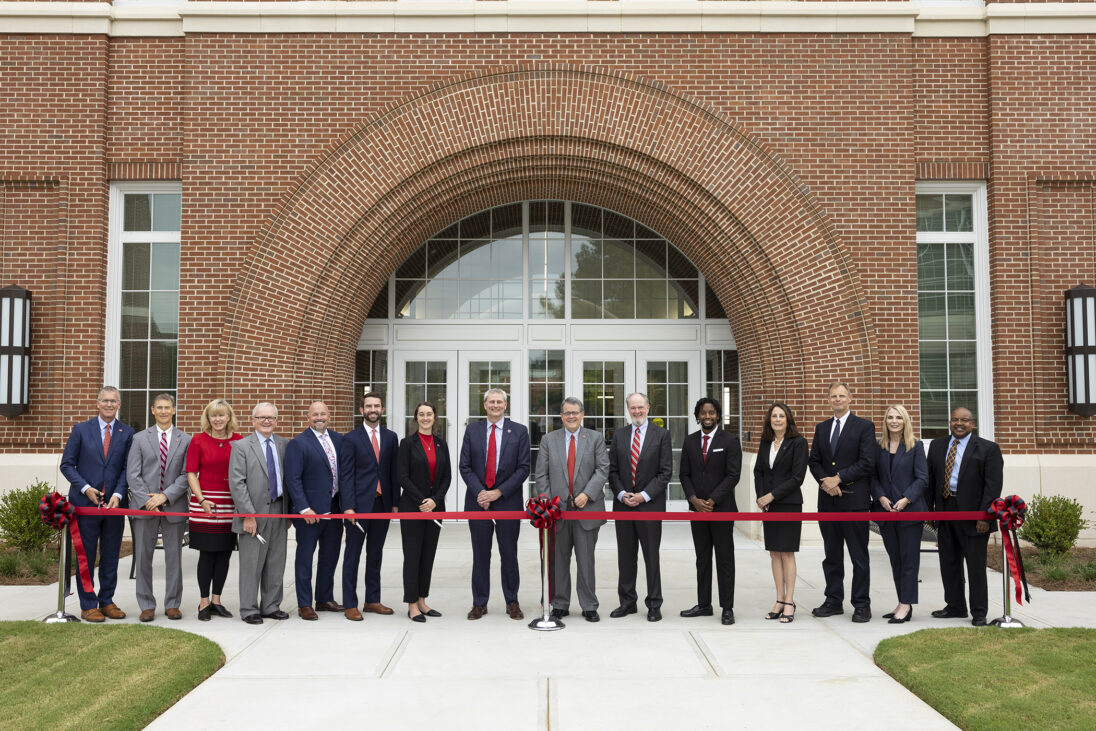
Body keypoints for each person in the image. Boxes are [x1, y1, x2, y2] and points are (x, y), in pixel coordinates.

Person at [59, 386, 134, 622]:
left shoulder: (127, 432)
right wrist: (86, 488)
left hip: (114, 505)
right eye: (105, 400)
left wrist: (119, 494)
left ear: (119, 404)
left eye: (113, 401)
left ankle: (107, 601)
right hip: (85, 504)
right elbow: (67, 465)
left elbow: (127, 469)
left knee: (111, 556)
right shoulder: (81, 430)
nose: (109, 404)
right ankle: (88, 604)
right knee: (86, 557)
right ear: (98, 403)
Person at [534, 397, 610, 623]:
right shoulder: (549, 440)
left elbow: (602, 469)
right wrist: (548, 503)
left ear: (582, 414)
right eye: (567, 413)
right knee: (559, 560)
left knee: (586, 560)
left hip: (587, 508)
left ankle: (589, 605)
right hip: (557, 512)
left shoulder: (595, 438)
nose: (571, 416)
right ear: (561, 416)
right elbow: (541, 474)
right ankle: (560, 604)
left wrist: (587, 494)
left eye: (575, 412)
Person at [460, 388, 531, 621]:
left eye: (500, 402)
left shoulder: (519, 431)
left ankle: (512, 601)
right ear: (485, 405)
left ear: (505, 405)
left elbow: (524, 468)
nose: (495, 405)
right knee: (480, 554)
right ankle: (479, 603)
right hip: (477, 501)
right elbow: (465, 466)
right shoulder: (472, 430)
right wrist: (481, 493)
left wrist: (498, 492)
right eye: (491, 401)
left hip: (508, 501)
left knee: (509, 554)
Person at [809, 381, 877, 622]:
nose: (837, 399)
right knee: (832, 556)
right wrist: (826, 483)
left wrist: (838, 478)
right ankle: (833, 600)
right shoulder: (821, 428)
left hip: (854, 502)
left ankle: (861, 604)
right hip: (828, 502)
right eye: (833, 396)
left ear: (850, 398)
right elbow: (814, 461)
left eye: (841, 395)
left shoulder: (864, 427)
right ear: (828, 400)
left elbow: (867, 462)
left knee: (859, 557)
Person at [928, 406, 1003, 626]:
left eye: (964, 420)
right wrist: (929, 512)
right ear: (950, 422)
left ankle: (979, 611)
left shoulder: (988, 449)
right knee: (949, 562)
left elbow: (993, 486)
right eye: (955, 420)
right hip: (945, 510)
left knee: (975, 566)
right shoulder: (937, 445)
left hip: (974, 515)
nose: (959, 424)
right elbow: (930, 481)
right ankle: (955, 606)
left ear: (973, 424)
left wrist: (985, 517)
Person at [126, 393, 192, 622]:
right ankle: (146, 605)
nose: (164, 411)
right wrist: (148, 500)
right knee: (143, 557)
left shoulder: (186, 439)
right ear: (152, 410)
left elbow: (186, 475)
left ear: (174, 410)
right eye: (159, 408)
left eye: (167, 407)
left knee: (174, 558)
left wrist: (164, 496)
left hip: (174, 505)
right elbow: (133, 474)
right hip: (145, 507)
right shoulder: (139, 439)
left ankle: (173, 604)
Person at [608, 392, 672, 622]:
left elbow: (665, 472)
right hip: (624, 505)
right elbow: (612, 470)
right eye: (633, 408)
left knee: (651, 557)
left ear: (648, 408)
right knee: (625, 557)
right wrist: (622, 494)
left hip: (650, 506)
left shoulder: (661, 435)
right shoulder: (619, 435)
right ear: (628, 410)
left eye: (640, 407)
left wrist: (643, 496)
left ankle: (654, 604)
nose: (637, 411)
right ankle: (627, 602)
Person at [679, 397, 742, 626]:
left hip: (722, 509)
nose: (707, 416)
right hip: (698, 511)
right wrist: (693, 499)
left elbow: (733, 475)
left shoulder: (730, 441)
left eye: (712, 412)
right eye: (703, 413)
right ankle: (704, 604)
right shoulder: (690, 441)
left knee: (725, 559)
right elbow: (684, 474)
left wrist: (713, 500)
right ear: (697, 416)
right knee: (702, 558)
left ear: (718, 415)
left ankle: (727, 607)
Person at [229, 402, 290, 625]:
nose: (266, 421)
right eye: (262, 417)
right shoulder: (241, 446)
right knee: (251, 564)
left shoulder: (284, 444)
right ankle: (249, 609)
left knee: (276, 562)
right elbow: (237, 483)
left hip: (279, 511)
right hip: (253, 514)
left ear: (276, 421)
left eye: (271, 417)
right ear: (253, 420)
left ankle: (271, 606)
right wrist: (247, 514)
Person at [339, 391, 397, 621]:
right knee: (352, 555)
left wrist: (394, 503)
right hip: (358, 507)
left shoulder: (391, 437)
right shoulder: (350, 439)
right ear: (362, 410)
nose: (373, 410)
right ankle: (350, 604)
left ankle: (372, 600)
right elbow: (346, 475)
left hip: (382, 504)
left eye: (377, 406)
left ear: (383, 409)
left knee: (375, 554)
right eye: (369, 406)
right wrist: (348, 507)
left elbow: (393, 472)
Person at [284, 401, 345, 620]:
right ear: (308, 418)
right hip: (309, 513)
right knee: (305, 558)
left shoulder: (339, 440)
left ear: (329, 416)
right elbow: (293, 478)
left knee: (330, 555)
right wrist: (304, 508)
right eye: (315, 414)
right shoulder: (298, 443)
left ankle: (324, 598)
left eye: (323, 414)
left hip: (335, 509)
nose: (319, 417)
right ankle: (304, 603)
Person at [185, 398, 243, 621]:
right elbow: (191, 473)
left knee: (224, 553)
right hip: (205, 504)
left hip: (230, 504)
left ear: (229, 417)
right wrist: (201, 500)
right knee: (207, 553)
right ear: (208, 418)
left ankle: (217, 601)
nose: (218, 419)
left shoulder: (239, 441)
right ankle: (203, 602)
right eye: (213, 415)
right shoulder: (198, 440)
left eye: (221, 415)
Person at [871, 404, 929, 624]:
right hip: (886, 512)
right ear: (885, 421)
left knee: (909, 560)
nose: (894, 421)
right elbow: (873, 477)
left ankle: (906, 604)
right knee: (895, 559)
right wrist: (881, 497)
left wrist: (905, 499)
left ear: (905, 421)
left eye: (898, 417)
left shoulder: (915, 446)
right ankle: (902, 602)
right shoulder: (879, 447)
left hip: (909, 511)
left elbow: (922, 478)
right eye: (890, 417)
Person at [754, 402, 808, 624]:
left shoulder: (798, 443)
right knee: (774, 553)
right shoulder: (766, 442)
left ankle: (789, 601)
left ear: (788, 419)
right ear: (769, 420)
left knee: (787, 553)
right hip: (769, 505)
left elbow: (797, 477)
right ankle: (779, 599)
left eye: (781, 416)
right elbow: (758, 471)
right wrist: (761, 497)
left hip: (789, 504)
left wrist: (772, 495)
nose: (777, 419)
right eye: (774, 416)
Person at [398, 401, 451, 622]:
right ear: (416, 418)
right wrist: (422, 501)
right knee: (412, 556)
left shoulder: (441, 444)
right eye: (421, 414)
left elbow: (447, 477)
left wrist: (434, 501)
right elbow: (402, 476)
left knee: (428, 555)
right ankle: (412, 605)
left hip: (435, 508)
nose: (426, 418)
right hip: (413, 507)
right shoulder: (407, 444)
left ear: (434, 417)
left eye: (429, 414)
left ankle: (422, 600)